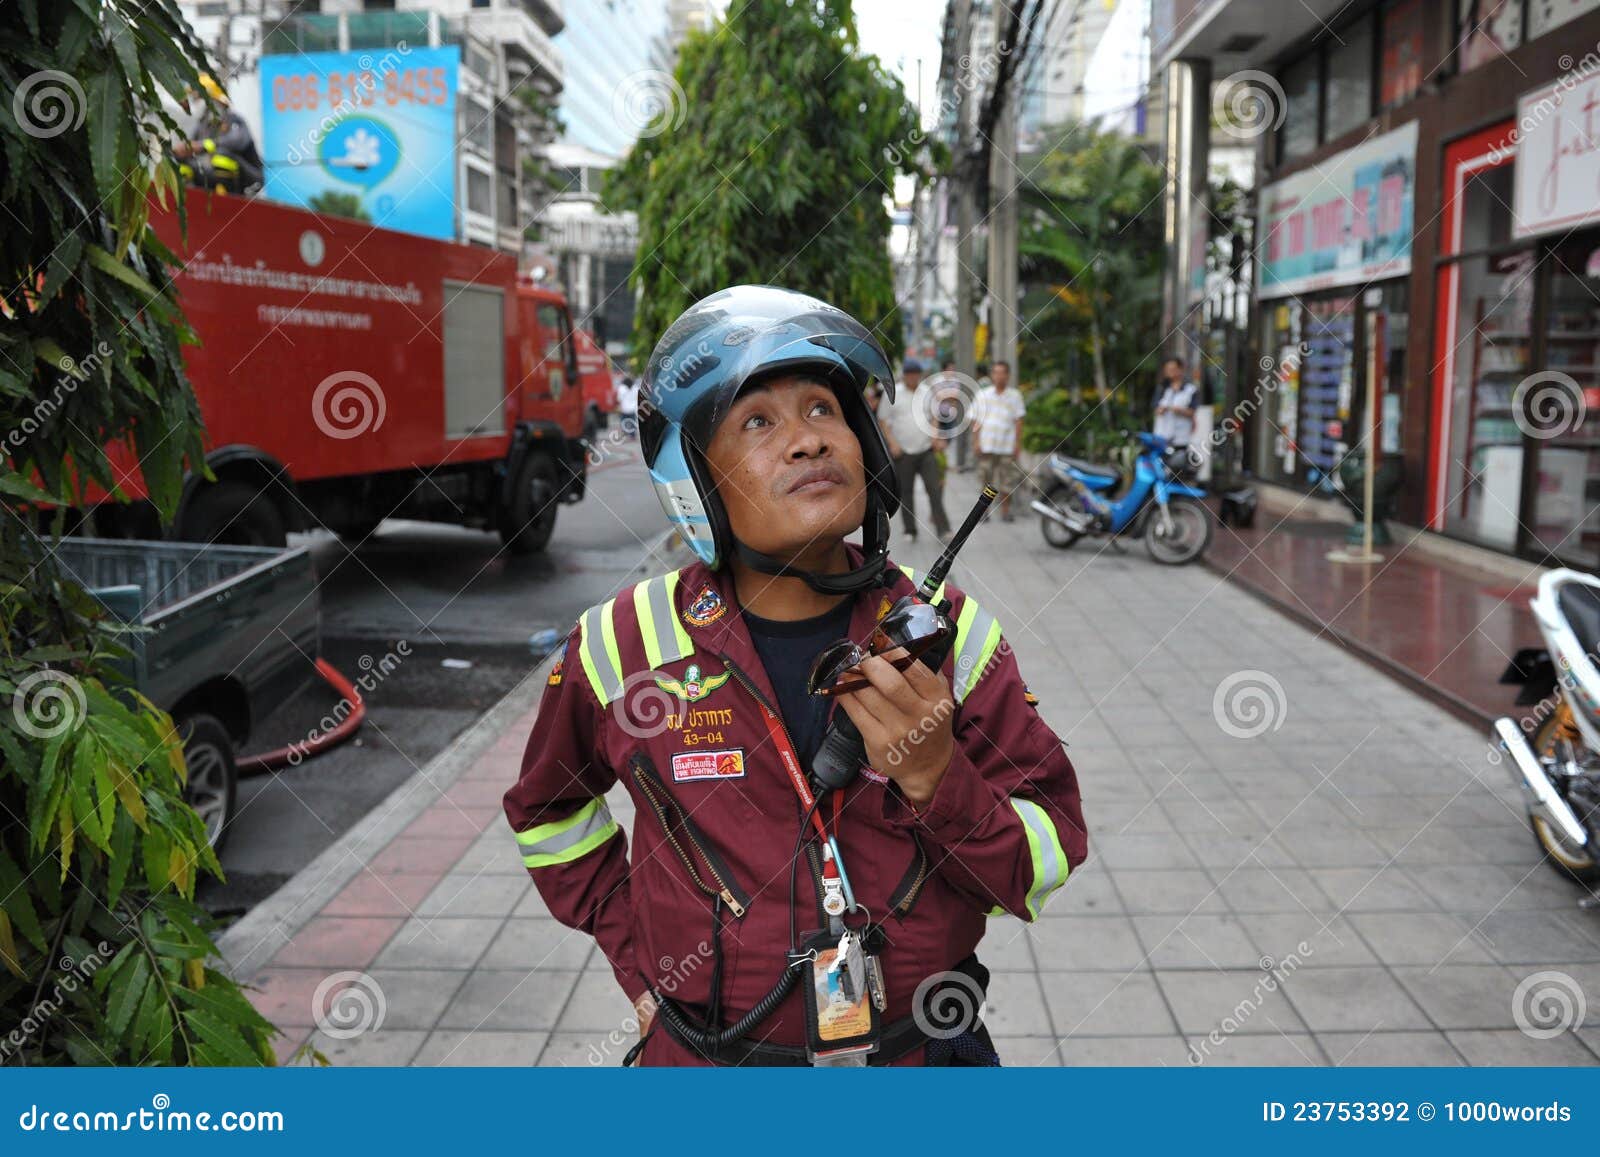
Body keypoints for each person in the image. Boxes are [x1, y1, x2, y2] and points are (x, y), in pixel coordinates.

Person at [503, 285, 1087, 1068]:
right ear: (696, 482)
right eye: (758, 422)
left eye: (822, 409)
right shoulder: (621, 645)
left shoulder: (948, 630)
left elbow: (1044, 858)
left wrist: (939, 777)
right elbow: (547, 811)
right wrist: (640, 961)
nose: (808, 441)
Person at [877, 357, 952, 544]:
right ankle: (910, 530)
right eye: (909, 374)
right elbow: (883, 421)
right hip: (903, 452)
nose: (912, 377)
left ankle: (943, 528)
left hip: (926, 449)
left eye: (915, 374)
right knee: (906, 493)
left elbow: (935, 417)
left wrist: (935, 436)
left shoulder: (927, 393)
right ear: (904, 375)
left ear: (919, 375)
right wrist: (892, 444)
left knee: (934, 489)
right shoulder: (893, 394)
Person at [174, 75, 263, 196]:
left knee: (222, 156)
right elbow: (192, 146)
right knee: (181, 160)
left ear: (214, 100)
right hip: (212, 176)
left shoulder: (234, 120)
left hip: (248, 179)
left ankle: (229, 198)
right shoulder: (202, 126)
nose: (196, 102)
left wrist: (204, 145)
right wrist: (184, 150)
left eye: (199, 98)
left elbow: (238, 141)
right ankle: (192, 198)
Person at [972, 360, 1027, 521]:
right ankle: (983, 513)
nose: (999, 376)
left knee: (1007, 480)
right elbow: (976, 419)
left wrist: (1017, 444)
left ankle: (1005, 511)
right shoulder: (983, 394)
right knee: (985, 480)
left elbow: (1019, 420)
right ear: (992, 375)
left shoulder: (1015, 396)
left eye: (1002, 372)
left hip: (1006, 446)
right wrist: (976, 441)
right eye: (996, 372)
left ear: (1008, 375)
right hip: (986, 445)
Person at [1153, 356, 1199, 449]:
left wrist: (1179, 410)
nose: (1170, 372)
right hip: (1161, 438)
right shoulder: (1162, 388)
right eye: (1167, 369)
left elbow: (1193, 411)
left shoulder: (1191, 389)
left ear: (1181, 369)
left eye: (1173, 369)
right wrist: (1161, 409)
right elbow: (1155, 409)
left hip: (1181, 439)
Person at [615, 370, 639, 438]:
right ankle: (632, 435)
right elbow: (637, 397)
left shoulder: (621, 388)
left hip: (624, 408)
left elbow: (619, 399)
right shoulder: (635, 388)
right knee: (632, 421)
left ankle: (625, 433)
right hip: (633, 408)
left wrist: (618, 406)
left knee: (623, 421)